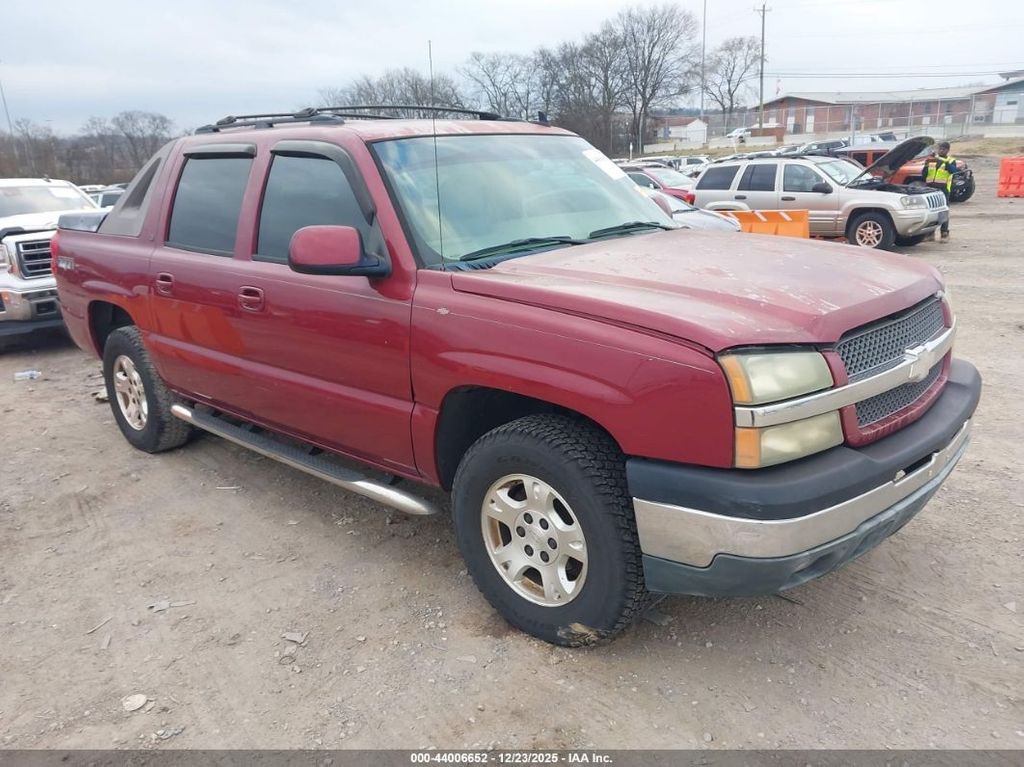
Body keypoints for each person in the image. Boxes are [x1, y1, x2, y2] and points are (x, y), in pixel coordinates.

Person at [922, 141, 957, 240]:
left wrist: (943, 161)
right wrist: (926, 165)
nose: (941, 150)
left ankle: (944, 233)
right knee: (931, 212)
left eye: (943, 149)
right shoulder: (932, 160)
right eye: (939, 148)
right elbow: (924, 175)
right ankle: (930, 233)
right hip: (930, 189)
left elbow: (954, 171)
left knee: (943, 212)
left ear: (947, 150)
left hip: (944, 189)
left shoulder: (950, 160)